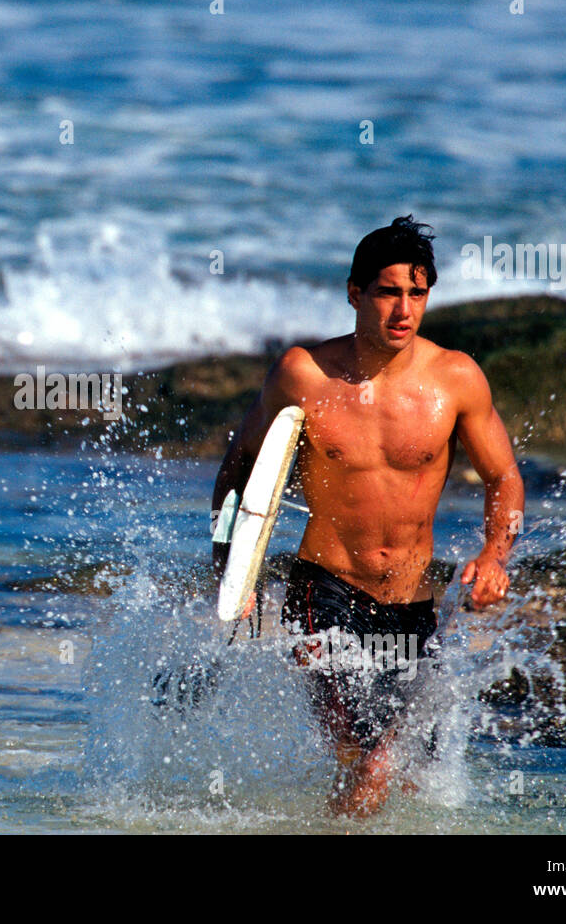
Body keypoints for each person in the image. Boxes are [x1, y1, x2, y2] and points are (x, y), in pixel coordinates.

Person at [211, 215, 524, 817]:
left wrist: (493, 555)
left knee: (411, 778)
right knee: (367, 759)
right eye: (387, 292)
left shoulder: (455, 379)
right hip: (321, 593)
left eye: (417, 293)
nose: (403, 310)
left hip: (410, 604)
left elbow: (503, 478)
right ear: (355, 293)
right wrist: (232, 571)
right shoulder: (303, 374)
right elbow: (238, 470)